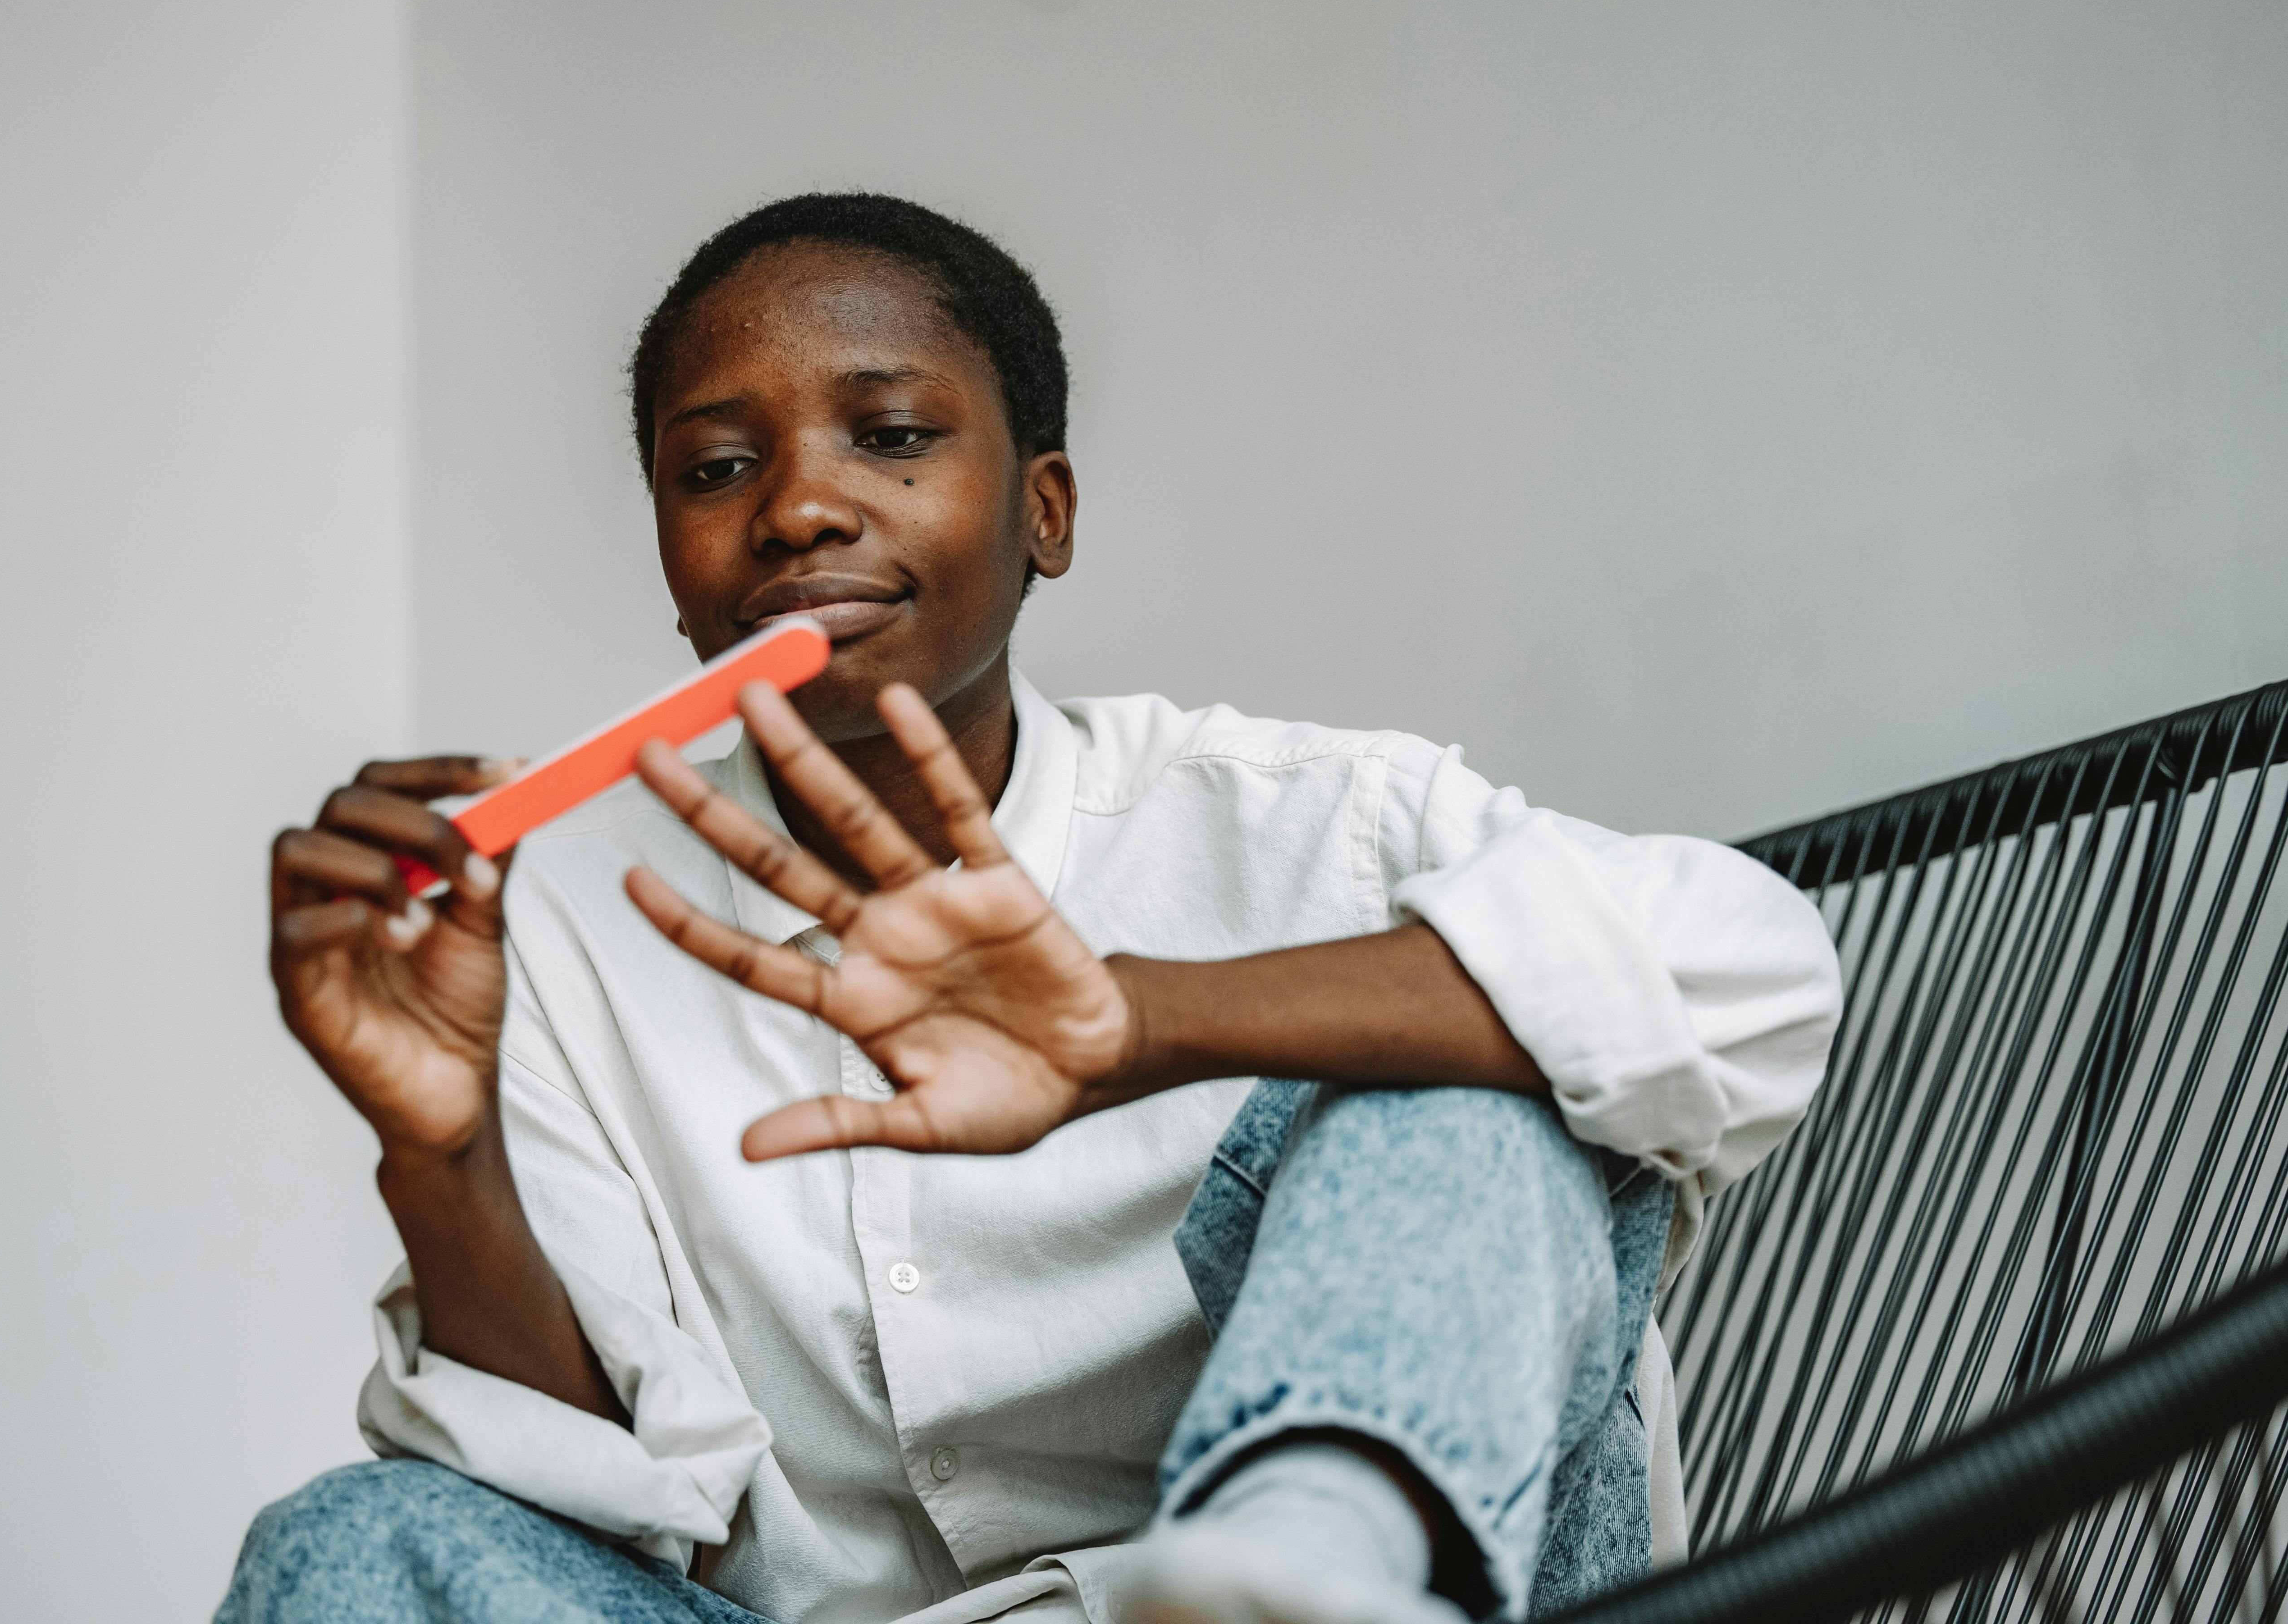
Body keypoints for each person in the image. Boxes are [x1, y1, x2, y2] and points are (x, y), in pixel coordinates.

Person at [227, 193, 1840, 1624]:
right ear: (674, 564)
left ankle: (1306, 1563)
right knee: (359, 1552)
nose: (798, 508)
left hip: (1395, 1589)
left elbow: (1754, 978)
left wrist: (1142, 1020)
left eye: (894, 437)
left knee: (1461, 1072)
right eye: (719, 469)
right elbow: (586, 1500)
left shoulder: (1318, 825)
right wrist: (440, 1149)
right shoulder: (547, 928)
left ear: (1044, 513)